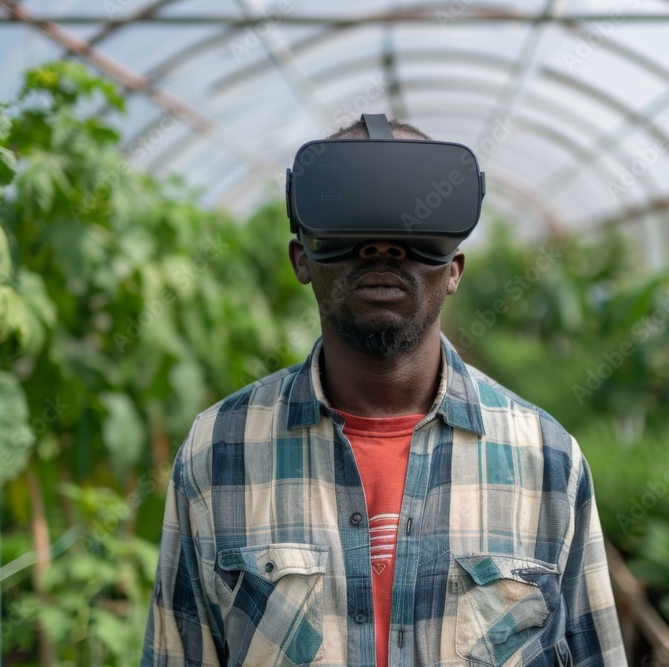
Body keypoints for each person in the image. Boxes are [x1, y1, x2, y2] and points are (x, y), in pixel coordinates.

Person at [142, 116, 626, 666]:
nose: (381, 248)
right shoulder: (218, 452)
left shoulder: (547, 459)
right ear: (301, 259)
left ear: (454, 271)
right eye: (350, 226)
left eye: (414, 231)